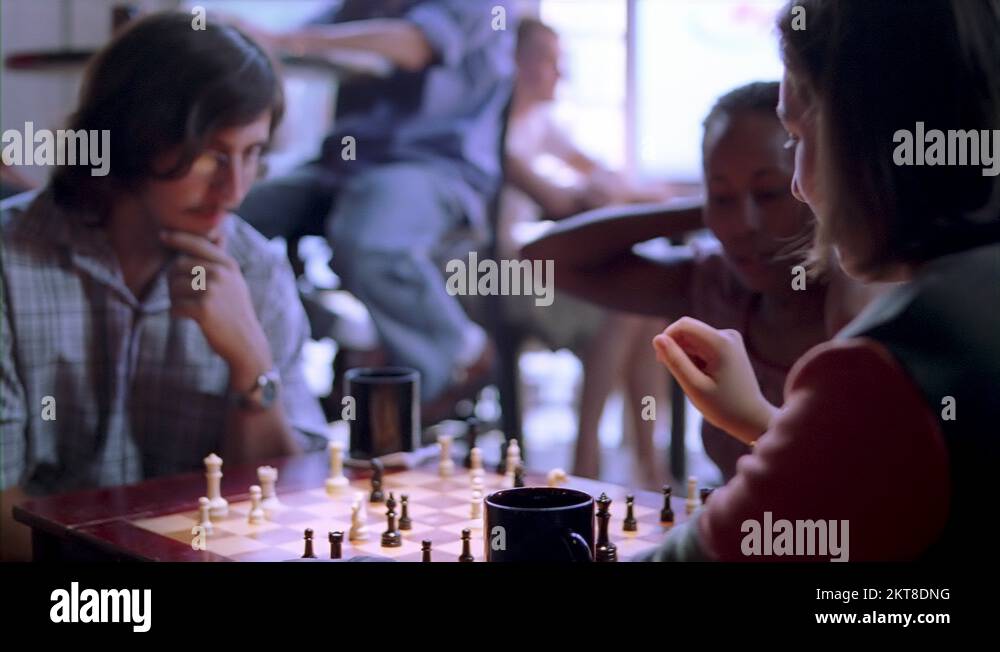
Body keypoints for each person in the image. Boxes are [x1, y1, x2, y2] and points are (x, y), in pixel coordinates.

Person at [642, 0, 1000, 560]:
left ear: (865, 134)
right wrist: (769, 423)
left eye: (798, 137)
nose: (799, 186)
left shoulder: (891, 361)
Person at [0, 12, 328, 560]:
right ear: (135, 136)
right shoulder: (10, 266)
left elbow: (278, 505)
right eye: (210, 155)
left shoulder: (257, 270)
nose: (234, 189)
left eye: (252, 155)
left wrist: (251, 365)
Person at [524, 81, 876, 483]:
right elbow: (544, 258)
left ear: (812, 182)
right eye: (722, 197)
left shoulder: (863, 298)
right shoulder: (717, 284)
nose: (743, 224)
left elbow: (867, 488)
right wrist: (701, 210)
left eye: (769, 193)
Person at [236, 0, 516, 421]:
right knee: (230, 220)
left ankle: (456, 352)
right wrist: (239, 38)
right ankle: (344, 335)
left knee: (370, 243)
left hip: (429, 165)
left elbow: (416, 44)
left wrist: (287, 41)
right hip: (342, 167)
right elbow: (294, 44)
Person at [490, 18, 669, 484]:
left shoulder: (542, 123)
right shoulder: (495, 129)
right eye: (550, 61)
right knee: (625, 307)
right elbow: (562, 201)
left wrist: (653, 197)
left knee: (647, 306)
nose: (560, 74)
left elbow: (600, 174)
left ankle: (647, 461)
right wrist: (610, 194)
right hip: (498, 275)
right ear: (516, 63)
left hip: (535, 265)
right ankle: (588, 460)